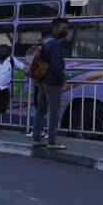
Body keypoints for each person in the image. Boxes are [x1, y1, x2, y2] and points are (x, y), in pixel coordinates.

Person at [30, 17, 70, 150]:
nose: (65, 31)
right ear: (55, 28)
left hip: (43, 80)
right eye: (63, 28)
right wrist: (62, 78)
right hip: (53, 81)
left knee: (41, 110)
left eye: (66, 28)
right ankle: (52, 141)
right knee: (54, 112)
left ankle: (36, 138)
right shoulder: (55, 44)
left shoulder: (45, 40)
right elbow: (56, 66)